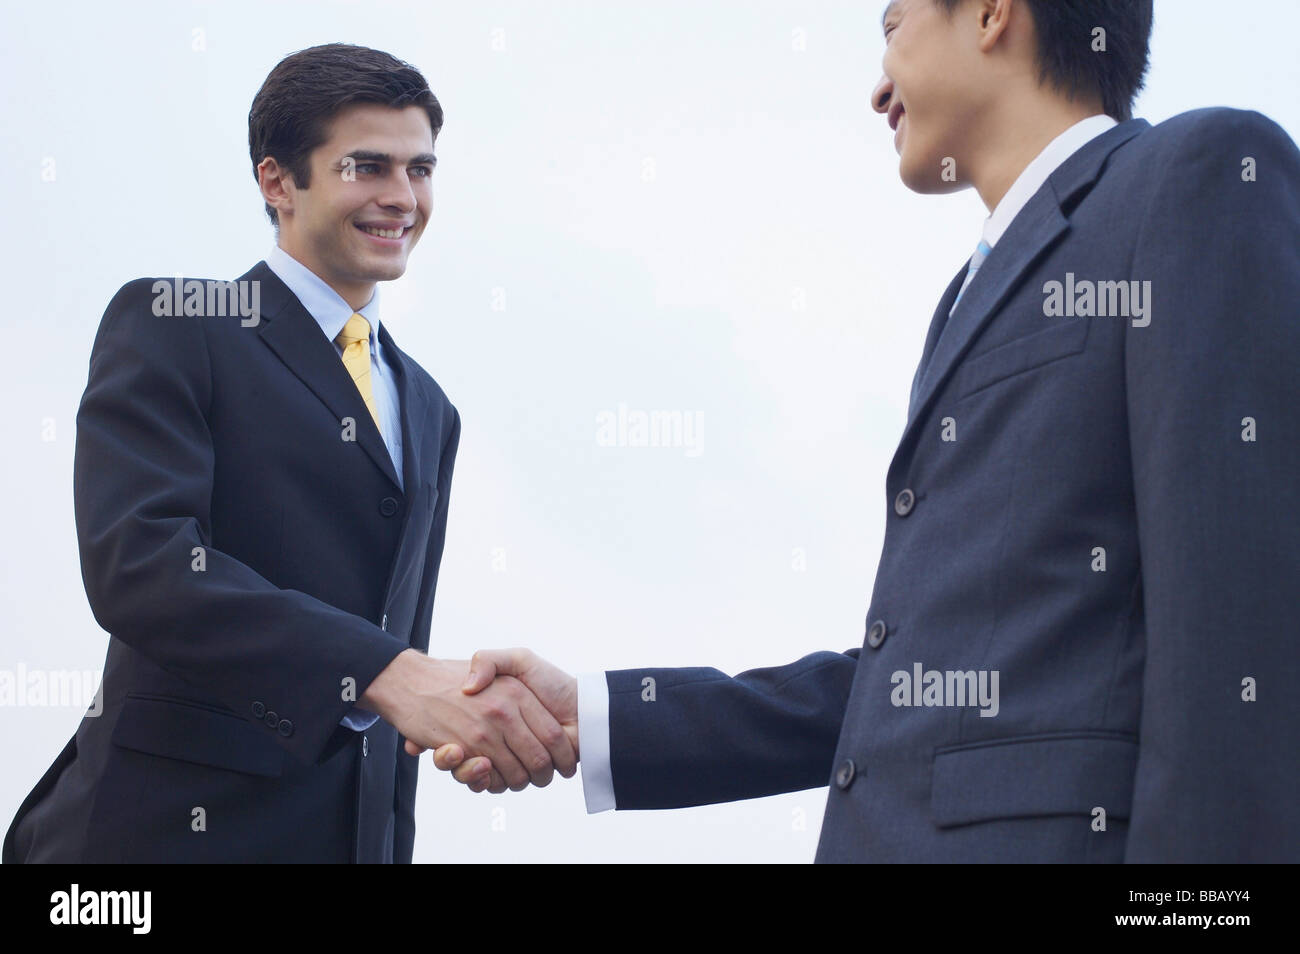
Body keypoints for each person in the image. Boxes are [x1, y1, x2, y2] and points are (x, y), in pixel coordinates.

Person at [431, 0, 1300, 862]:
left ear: (994, 13)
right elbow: (908, 686)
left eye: (891, 30)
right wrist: (600, 718)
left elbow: (1241, 615)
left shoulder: (1202, 173)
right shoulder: (963, 299)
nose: (878, 90)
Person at [3, 43, 573, 864]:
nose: (401, 198)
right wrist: (388, 673)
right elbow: (142, 567)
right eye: (367, 167)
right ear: (277, 182)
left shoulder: (428, 405)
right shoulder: (178, 322)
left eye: (421, 169)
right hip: (157, 840)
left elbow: (396, 637)